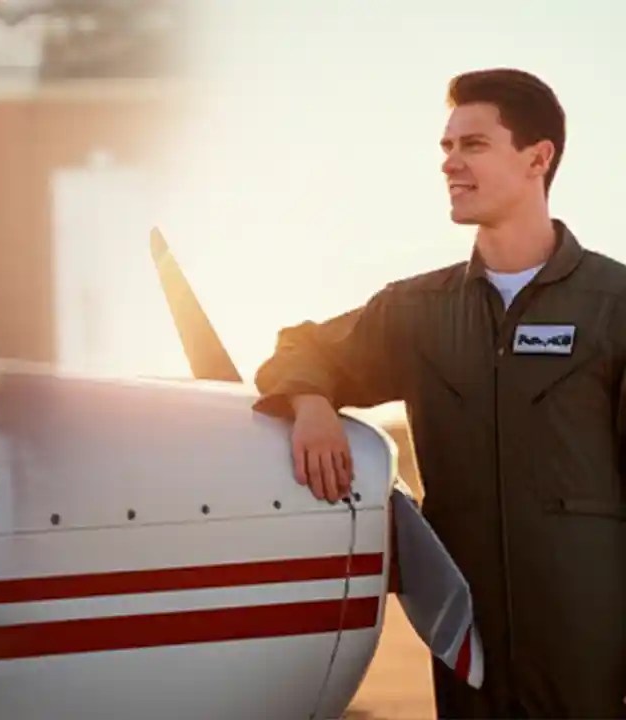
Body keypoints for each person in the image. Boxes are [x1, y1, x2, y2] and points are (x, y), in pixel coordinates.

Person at [253, 68, 626, 718]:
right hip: (470, 660)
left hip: (590, 664)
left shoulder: (613, 308)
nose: (450, 163)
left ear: (538, 158)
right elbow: (301, 350)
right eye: (447, 147)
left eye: (473, 145)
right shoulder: (418, 312)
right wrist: (310, 404)